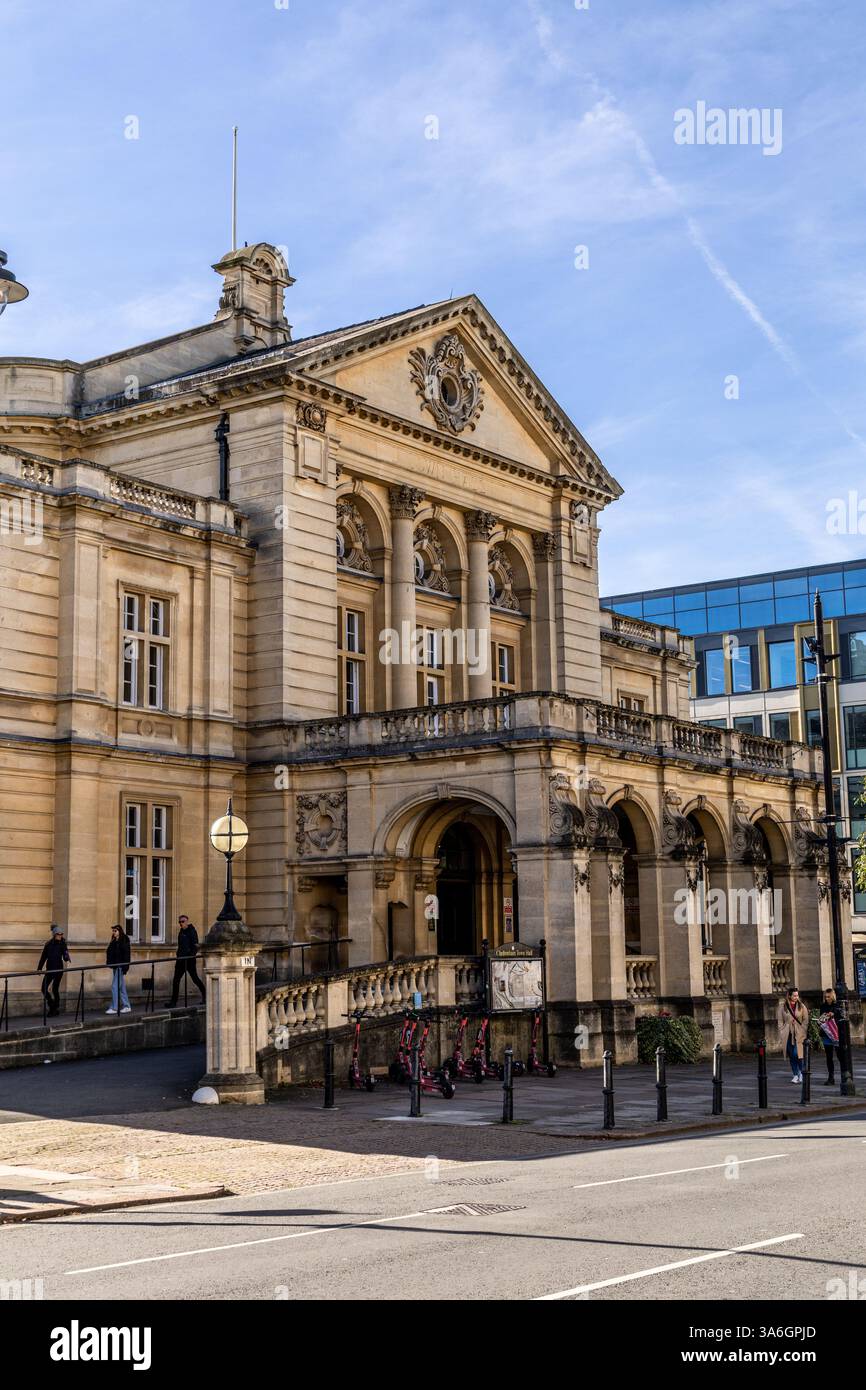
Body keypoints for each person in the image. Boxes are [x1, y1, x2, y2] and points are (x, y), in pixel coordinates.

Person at [166, 915, 205, 1007]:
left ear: (187, 921)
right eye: (179, 922)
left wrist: (190, 956)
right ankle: (173, 1002)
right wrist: (178, 955)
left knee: (195, 979)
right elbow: (181, 946)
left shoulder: (192, 931)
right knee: (176, 980)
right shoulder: (181, 932)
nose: (181, 923)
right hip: (180, 960)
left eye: (182, 921)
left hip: (189, 961)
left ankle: (205, 996)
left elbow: (195, 947)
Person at [37, 925, 70, 1017]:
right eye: (58, 934)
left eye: (61, 934)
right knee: (44, 988)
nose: (60, 935)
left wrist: (66, 955)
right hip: (50, 970)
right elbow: (43, 957)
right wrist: (39, 968)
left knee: (55, 989)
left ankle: (54, 1008)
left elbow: (65, 957)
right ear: (54, 934)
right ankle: (52, 1005)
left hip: (59, 969)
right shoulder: (48, 944)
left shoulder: (63, 944)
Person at [778, 985, 809, 1083]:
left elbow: (806, 1020)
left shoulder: (801, 1006)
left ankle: (802, 1073)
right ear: (789, 996)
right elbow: (780, 1021)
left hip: (799, 1033)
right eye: (794, 995)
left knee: (798, 1054)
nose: (796, 997)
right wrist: (782, 1030)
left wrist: (803, 1029)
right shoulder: (783, 1007)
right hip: (788, 1034)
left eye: (797, 995)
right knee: (791, 1055)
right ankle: (795, 1074)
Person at [818, 987, 842, 1086]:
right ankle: (831, 1078)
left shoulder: (837, 1005)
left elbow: (839, 1016)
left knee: (840, 1056)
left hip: (836, 1034)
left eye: (829, 997)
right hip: (826, 1034)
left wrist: (833, 1014)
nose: (827, 998)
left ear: (833, 996)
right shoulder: (823, 1006)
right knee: (829, 1057)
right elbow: (821, 1019)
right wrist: (822, 1018)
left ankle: (845, 1075)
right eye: (825, 997)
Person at [106, 923, 132, 1014]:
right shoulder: (114, 941)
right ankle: (127, 1006)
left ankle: (114, 1007)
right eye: (113, 931)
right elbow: (110, 951)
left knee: (114, 986)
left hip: (120, 966)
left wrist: (125, 966)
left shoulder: (124, 939)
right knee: (121, 987)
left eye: (115, 931)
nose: (114, 933)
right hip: (115, 966)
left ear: (119, 931)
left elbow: (126, 954)